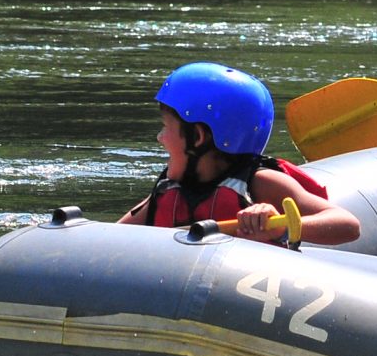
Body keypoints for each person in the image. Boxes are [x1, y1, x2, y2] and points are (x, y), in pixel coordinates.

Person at [119, 62, 361, 245]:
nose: (160, 137)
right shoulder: (169, 189)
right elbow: (111, 236)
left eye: (166, 127)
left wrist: (281, 225)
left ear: (198, 137)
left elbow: (347, 225)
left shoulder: (261, 184)